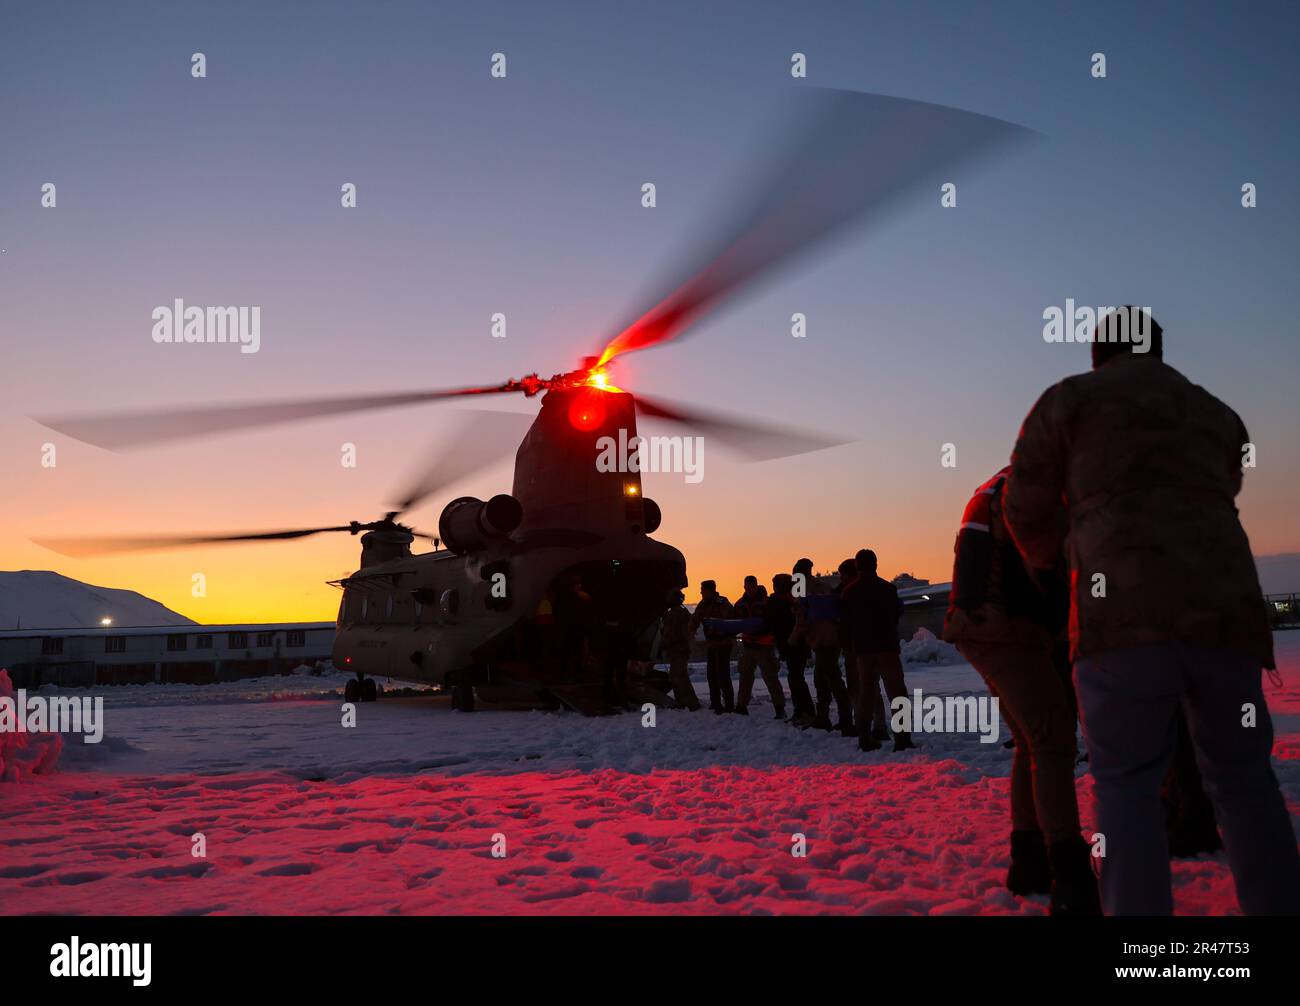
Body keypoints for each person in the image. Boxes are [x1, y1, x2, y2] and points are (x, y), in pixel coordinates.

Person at [1003, 308, 1300, 915]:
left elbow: (1024, 506)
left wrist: (1058, 560)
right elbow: (1225, 487)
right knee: (1244, 780)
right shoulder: (1215, 412)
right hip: (1225, 616)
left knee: (1127, 788)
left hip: (1121, 622)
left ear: (1096, 353)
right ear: (1158, 352)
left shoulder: (1068, 402)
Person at [944, 466, 1099, 914]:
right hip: (1005, 632)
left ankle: (1028, 861)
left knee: (1034, 745)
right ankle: (1069, 875)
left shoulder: (1002, 485)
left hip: (988, 629)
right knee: (1051, 742)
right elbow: (1051, 572)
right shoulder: (1038, 489)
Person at [841, 549, 914, 751]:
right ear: (876, 564)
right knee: (897, 692)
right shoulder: (887, 589)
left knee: (866, 692)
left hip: (863, 650)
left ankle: (864, 737)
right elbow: (894, 616)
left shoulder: (849, 592)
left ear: (857, 566)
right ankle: (902, 738)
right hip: (887, 647)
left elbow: (845, 624)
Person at [793, 558, 855, 736]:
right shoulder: (823, 586)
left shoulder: (802, 589)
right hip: (830, 638)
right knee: (822, 680)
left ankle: (844, 720)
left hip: (822, 640)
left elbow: (801, 616)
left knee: (833, 680)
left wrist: (794, 638)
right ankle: (824, 717)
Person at [767, 573, 817, 725]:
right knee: (794, 679)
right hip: (790, 645)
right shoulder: (788, 602)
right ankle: (800, 711)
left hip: (795, 645)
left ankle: (807, 712)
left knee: (796, 679)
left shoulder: (792, 603)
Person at [733, 577, 785, 717]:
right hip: (748, 646)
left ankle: (780, 708)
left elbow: (776, 621)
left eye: (752, 587)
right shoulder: (739, 604)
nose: (749, 590)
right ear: (744, 587)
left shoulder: (767, 603)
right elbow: (734, 621)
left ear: (756, 586)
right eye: (747, 587)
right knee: (745, 677)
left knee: (770, 678)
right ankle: (741, 706)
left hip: (765, 646)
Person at [690, 580, 735, 714]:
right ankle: (715, 702)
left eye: (702, 590)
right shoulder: (703, 605)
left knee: (723, 674)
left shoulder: (722, 602)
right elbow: (695, 619)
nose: (701, 592)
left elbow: (730, 619)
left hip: (724, 644)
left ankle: (729, 704)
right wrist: (690, 631)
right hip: (711, 645)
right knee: (711, 675)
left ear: (710, 590)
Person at [659, 590, 701, 711]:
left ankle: (692, 702)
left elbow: (682, 633)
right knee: (675, 675)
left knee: (680, 676)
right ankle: (681, 701)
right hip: (674, 649)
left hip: (680, 649)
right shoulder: (670, 614)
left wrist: (669, 641)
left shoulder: (682, 614)